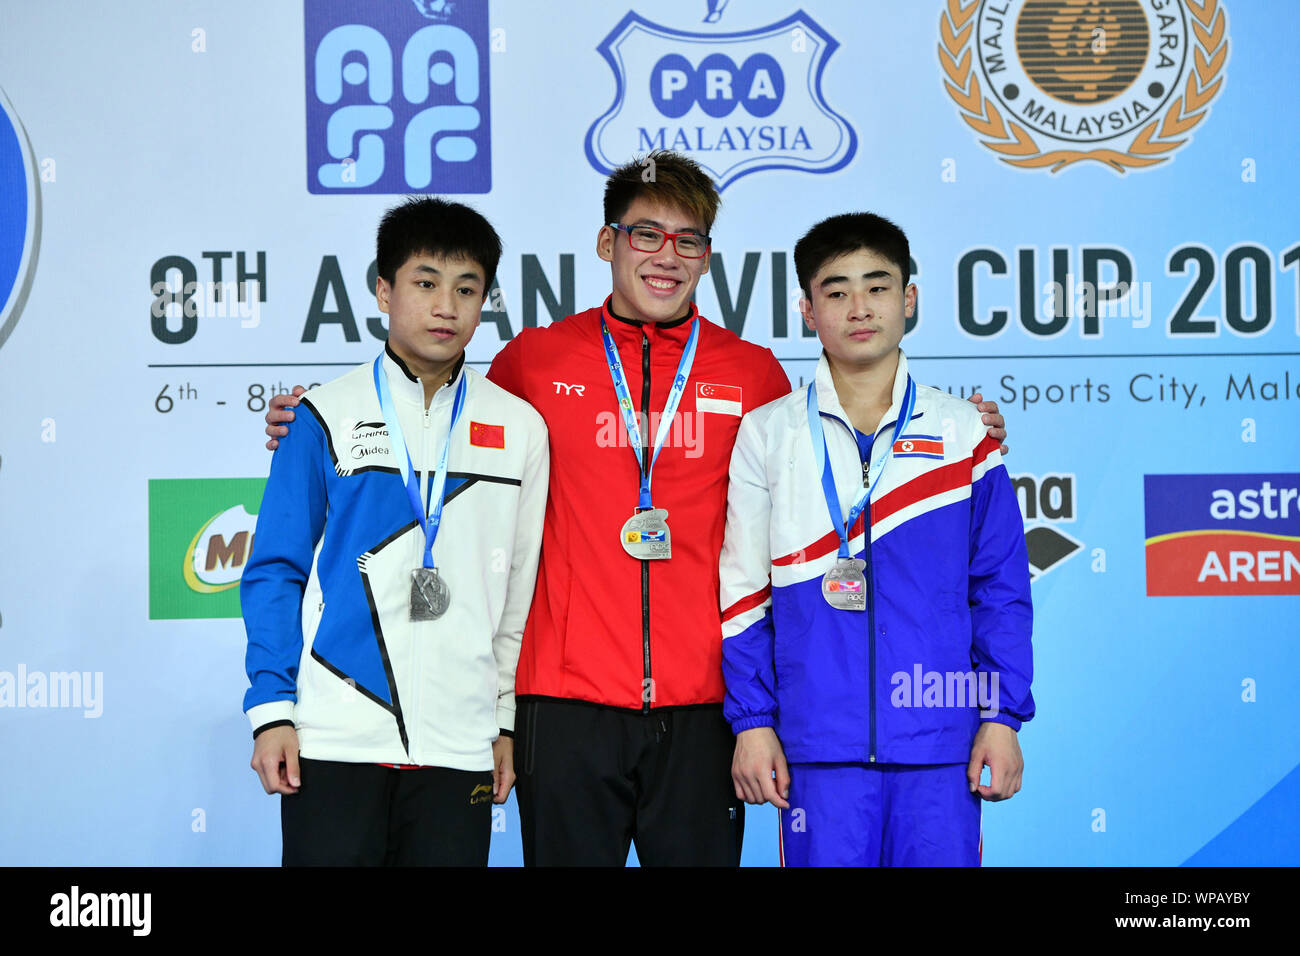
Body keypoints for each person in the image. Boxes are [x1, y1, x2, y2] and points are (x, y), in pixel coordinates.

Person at [264, 152, 1010, 866]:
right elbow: (438, 426)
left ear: (708, 257)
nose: (666, 255)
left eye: (688, 240)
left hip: (702, 709)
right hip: (563, 704)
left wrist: (959, 429)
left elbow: (840, 459)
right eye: (645, 234)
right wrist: (310, 420)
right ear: (606, 242)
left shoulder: (751, 376)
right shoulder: (534, 362)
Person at [242, 196, 549, 866]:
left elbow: (519, 593)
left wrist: (501, 722)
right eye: (425, 282)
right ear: (383, 290)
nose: (447, 306)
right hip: (334, 737)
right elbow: (275, 569)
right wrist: (273, 709)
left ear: (486, 301)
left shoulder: (521, 428)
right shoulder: (322, 415)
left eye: (467, 289)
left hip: (460, 742)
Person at [722, 212, 1034, 867]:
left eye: (878, 286)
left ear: (909, 299)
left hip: (940, 745)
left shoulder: (962, 434)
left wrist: (1001, 719)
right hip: (817, 751)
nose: (859, 308)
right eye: (836, 292)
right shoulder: (768, 434)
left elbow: (1000, 590)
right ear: (807, 310)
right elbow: (744, 592)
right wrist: (753, 723)